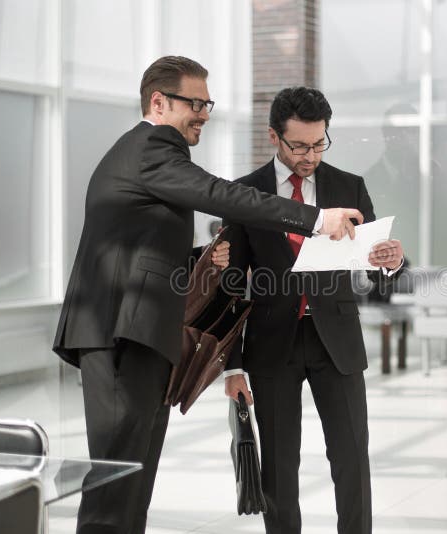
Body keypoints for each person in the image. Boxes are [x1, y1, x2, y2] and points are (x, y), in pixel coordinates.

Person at [52, 57, 364, 534]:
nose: (204, 113)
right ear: (158, 102)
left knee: (133, 476)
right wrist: (317, 219)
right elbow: (220, 195)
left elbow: (141, 244)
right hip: (119, 331)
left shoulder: (147, 154)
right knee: (116, 479)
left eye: (207, 103)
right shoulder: (153, 146)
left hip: (138, 333)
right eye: (194, 103)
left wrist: (202, 257)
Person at [222, 86, 405, 534]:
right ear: (274, 137)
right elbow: (231, 286)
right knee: (280, 467)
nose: (310, 155)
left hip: (336, 342)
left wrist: (391, 263)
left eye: (319, 142)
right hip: (271, 345)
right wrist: (232, 367)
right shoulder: (245, 194)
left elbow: (375, 268)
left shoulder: (349, 186)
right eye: (299, 145)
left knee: (351, 458)